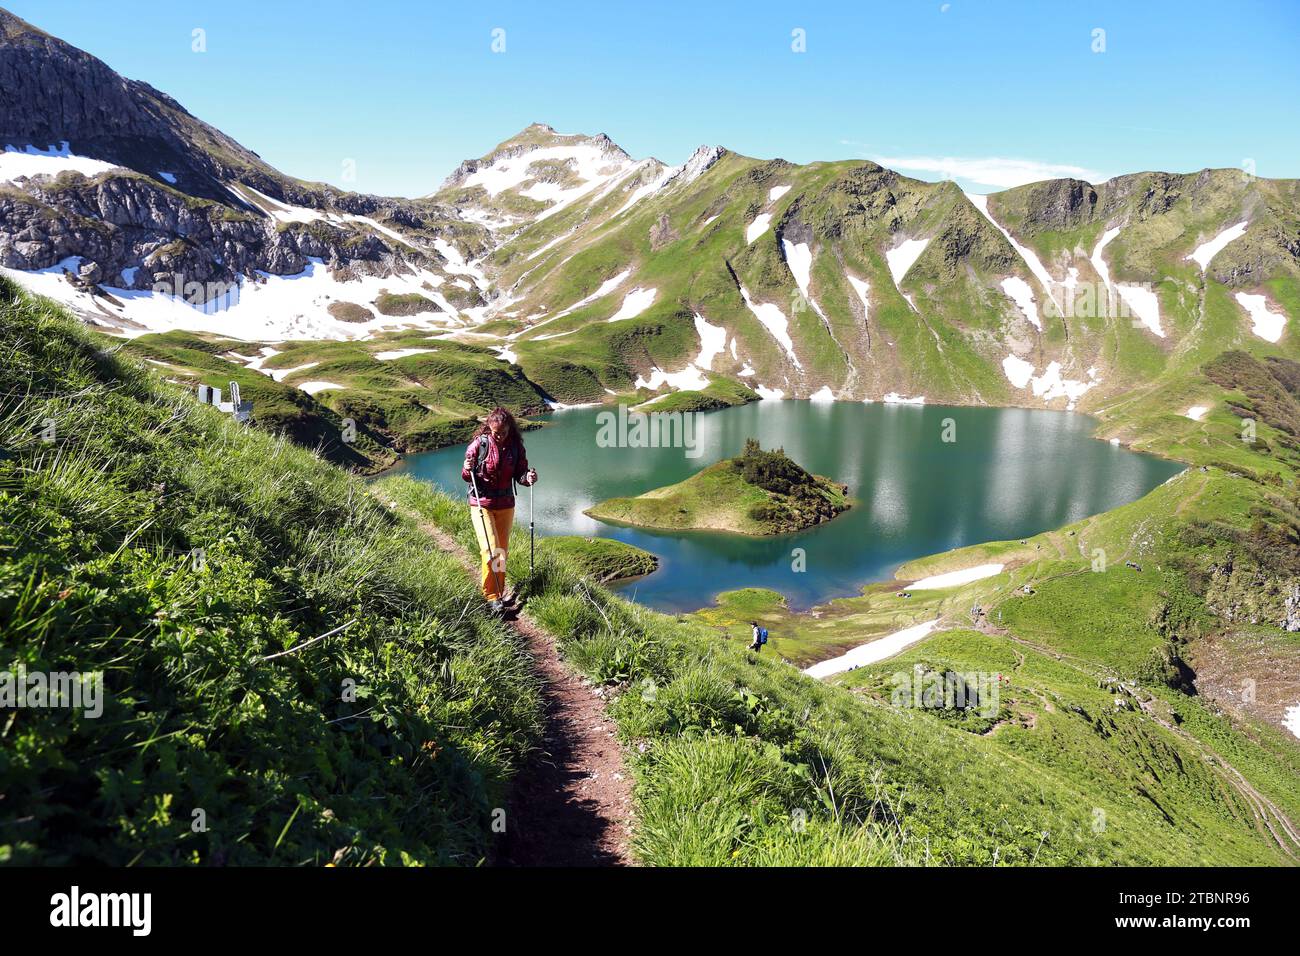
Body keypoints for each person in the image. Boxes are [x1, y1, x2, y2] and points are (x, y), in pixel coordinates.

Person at [461, 408, 537, 615]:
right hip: (481, 503)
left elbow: (520, 474)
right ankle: (491, 596)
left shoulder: (516, 447)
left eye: (504, 431)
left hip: (505, 504)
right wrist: (468, 468)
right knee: (491, 549)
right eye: (496, 432)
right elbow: (467, 476)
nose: (500, 435)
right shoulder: (479, 444)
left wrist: (528, 478)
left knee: (501, 552)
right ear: (489, 428)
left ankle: (498, 594)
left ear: (510, 428)